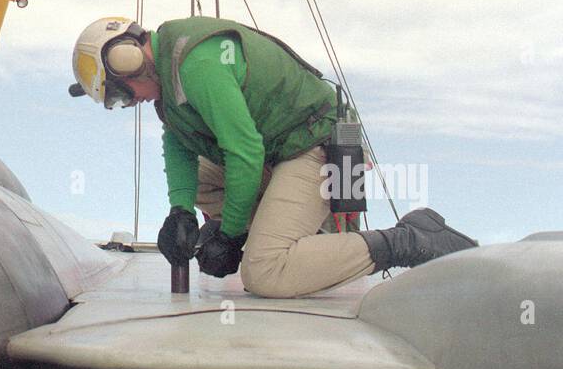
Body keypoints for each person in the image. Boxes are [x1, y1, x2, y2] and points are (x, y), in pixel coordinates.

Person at [69, 15, 478, 298]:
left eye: (123, 94)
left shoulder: (198, 65)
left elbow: (245, 153)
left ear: (129, 59)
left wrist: (229, 236)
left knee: (265, 272)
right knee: (204, 179)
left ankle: (408, 239)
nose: (131, 103)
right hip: (279, 151)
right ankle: (293, 238)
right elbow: (179, 141)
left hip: (316, 146)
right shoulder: (168, 80)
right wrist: (180, 211)